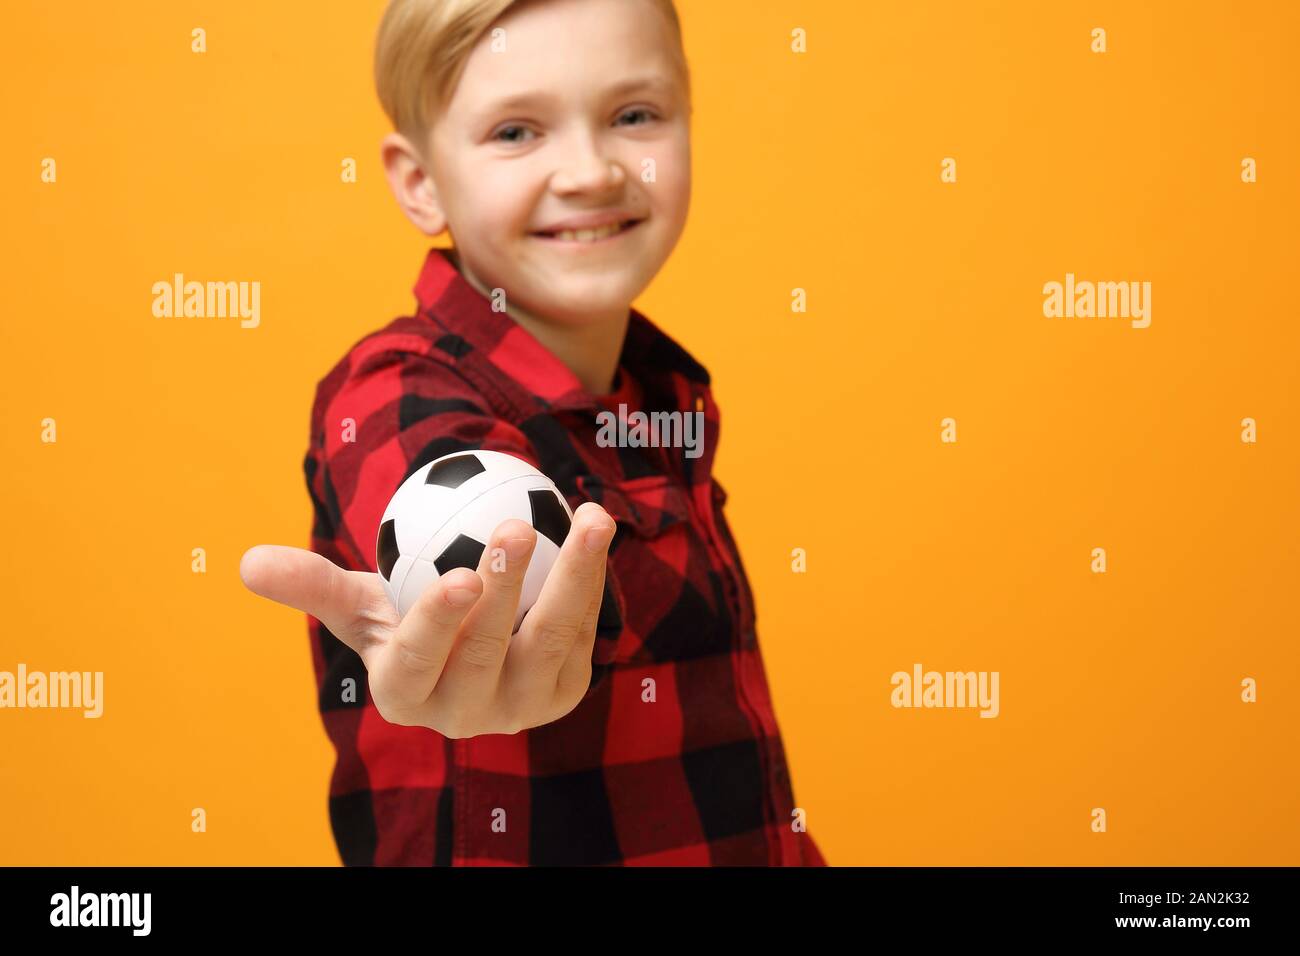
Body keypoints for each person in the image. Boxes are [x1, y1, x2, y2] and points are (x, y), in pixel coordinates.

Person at [239, 0, 826, 866]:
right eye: (517, 131)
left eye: (635, 115)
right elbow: (446, 482)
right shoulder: (396, 388)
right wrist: (478, 636)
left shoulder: (660, 395)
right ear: (420, 182)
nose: (590, 171)